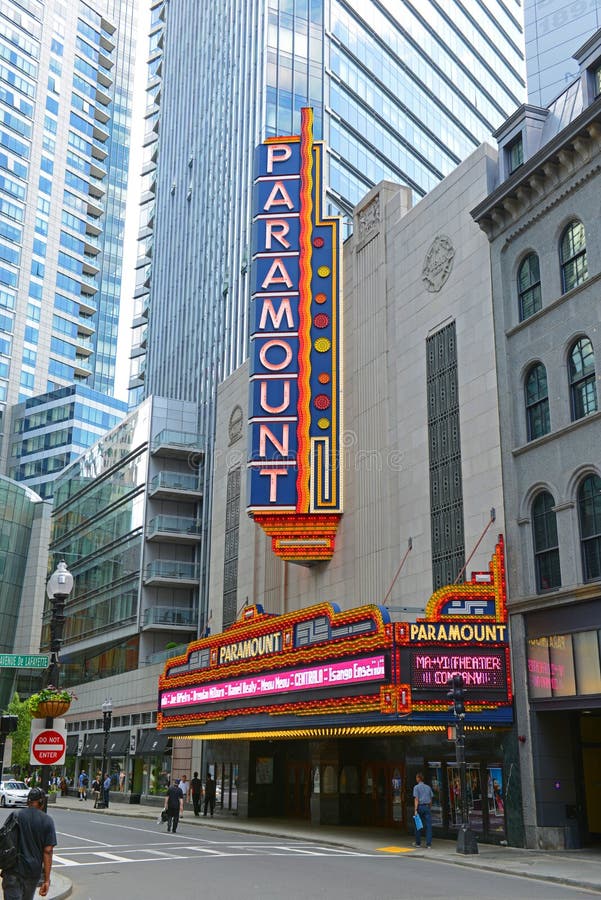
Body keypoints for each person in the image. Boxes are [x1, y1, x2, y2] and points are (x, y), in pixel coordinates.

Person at [1, 787, 57, 900]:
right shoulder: (47, 821)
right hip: (32, 873)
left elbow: (3, 839)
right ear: (41, 802)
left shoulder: (16, 815)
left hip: (12, 871)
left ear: (28, 801)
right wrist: (46, 880)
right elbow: (48, 851)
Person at [413, 772, 433, 849]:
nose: (416, 779)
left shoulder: (416, 787)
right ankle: (428, 844)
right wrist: (429, 807)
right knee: (428, 826)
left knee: (418, 825)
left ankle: (418, 843)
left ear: (418, 778)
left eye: (416, 778)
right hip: (427, 807)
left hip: (420, 807)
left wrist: (415, 810)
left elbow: (416, 799)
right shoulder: (428, 787)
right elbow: (431, 799)